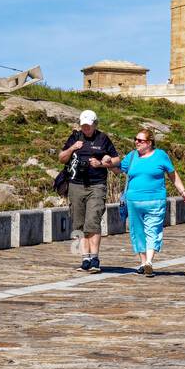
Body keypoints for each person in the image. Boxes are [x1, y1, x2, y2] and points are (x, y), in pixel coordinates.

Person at [119, 126, 185, 277]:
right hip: (133, 201)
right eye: (135, 140)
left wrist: (182, 191)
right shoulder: (132, 156)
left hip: (155, 201)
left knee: (153, 230)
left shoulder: (160, 155)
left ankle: (149, 262)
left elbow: (172, 174)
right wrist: (102, 163)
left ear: (150, 142)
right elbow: (118, 169)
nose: (137, 143)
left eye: (141, 140)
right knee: (137, 232)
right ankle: (143, 263)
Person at [58, 109, 120, 274]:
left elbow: (116, 160)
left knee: (92, 222)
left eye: (88, 125)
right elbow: (62, 157)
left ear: (95, 124)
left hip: (97, 185)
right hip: (76, 185)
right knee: (79, 223)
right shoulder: (75, 137)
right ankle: (85, 258)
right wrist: (72, 148)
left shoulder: (103, 138)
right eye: (83, 125)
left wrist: (101, 162)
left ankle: (95, 258)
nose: (85, 128)